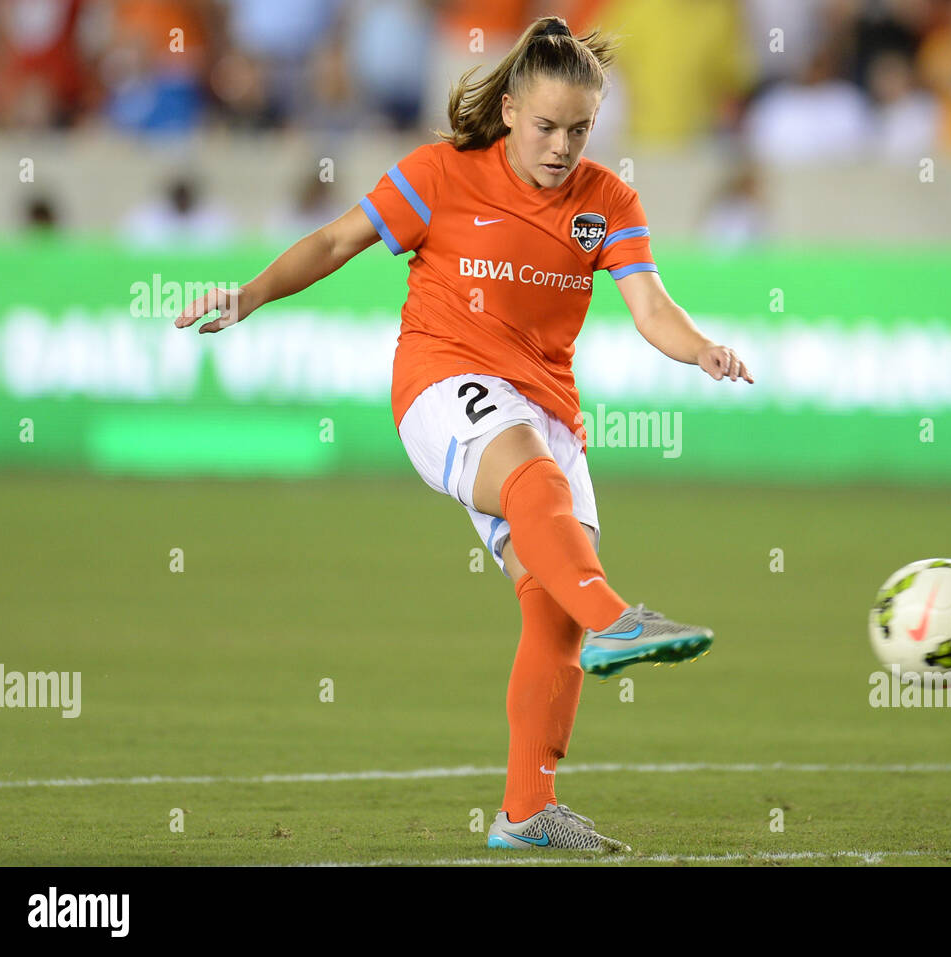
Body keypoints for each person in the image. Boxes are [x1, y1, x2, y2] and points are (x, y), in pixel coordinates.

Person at [175, 16, 753, 853]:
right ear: (512, 109)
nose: (562, 146)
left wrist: (701, 349)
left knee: (549, 610)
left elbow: (651, 307)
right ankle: (619, 619)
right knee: (538, 493)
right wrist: (249, 294)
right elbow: (339, 240)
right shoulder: (441, 174)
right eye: (548, 126)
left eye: (580, 130)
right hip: (441, 384)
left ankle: (527, 812)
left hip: (548, 407)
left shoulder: (607, 202)